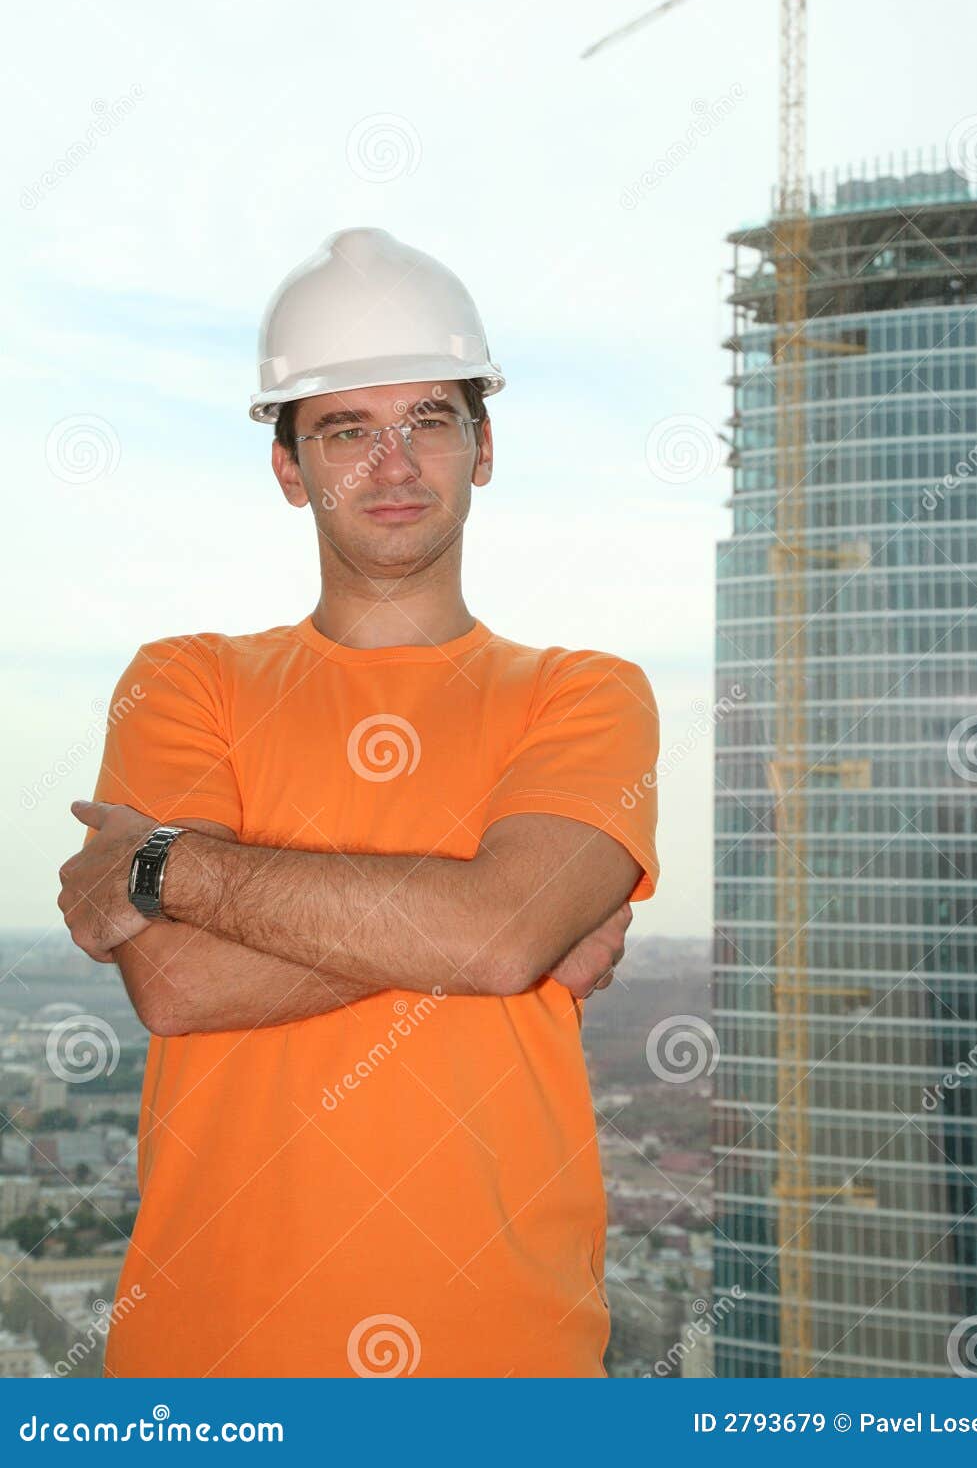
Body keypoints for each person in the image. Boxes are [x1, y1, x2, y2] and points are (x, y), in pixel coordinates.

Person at [57, 227, 660, 1378]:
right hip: (207, 1370)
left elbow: (493, 931)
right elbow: (179, 983)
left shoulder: (586, 693)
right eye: (344, 429)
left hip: (511, 1371)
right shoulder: (185, 679)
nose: (393, 464)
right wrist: (502, 923)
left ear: (482, 447)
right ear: (288, 468)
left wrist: (168, 869)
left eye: (429, 419)